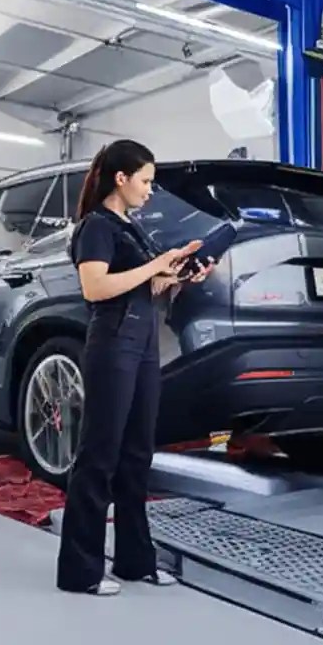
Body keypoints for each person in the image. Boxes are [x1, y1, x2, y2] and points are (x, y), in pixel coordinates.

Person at [56, 139, 215, 596]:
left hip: (143, 343)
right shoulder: (96, 226)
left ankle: (134, 559)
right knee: (99, 454)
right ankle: (80, 570)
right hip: (113, 343)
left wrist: (179, 275)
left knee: (137, 454)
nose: (149, 189)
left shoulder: (132, 227)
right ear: (120, 178)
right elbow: (95, 287)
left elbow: (146, 288)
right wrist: (155, 266)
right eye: (144, 181)